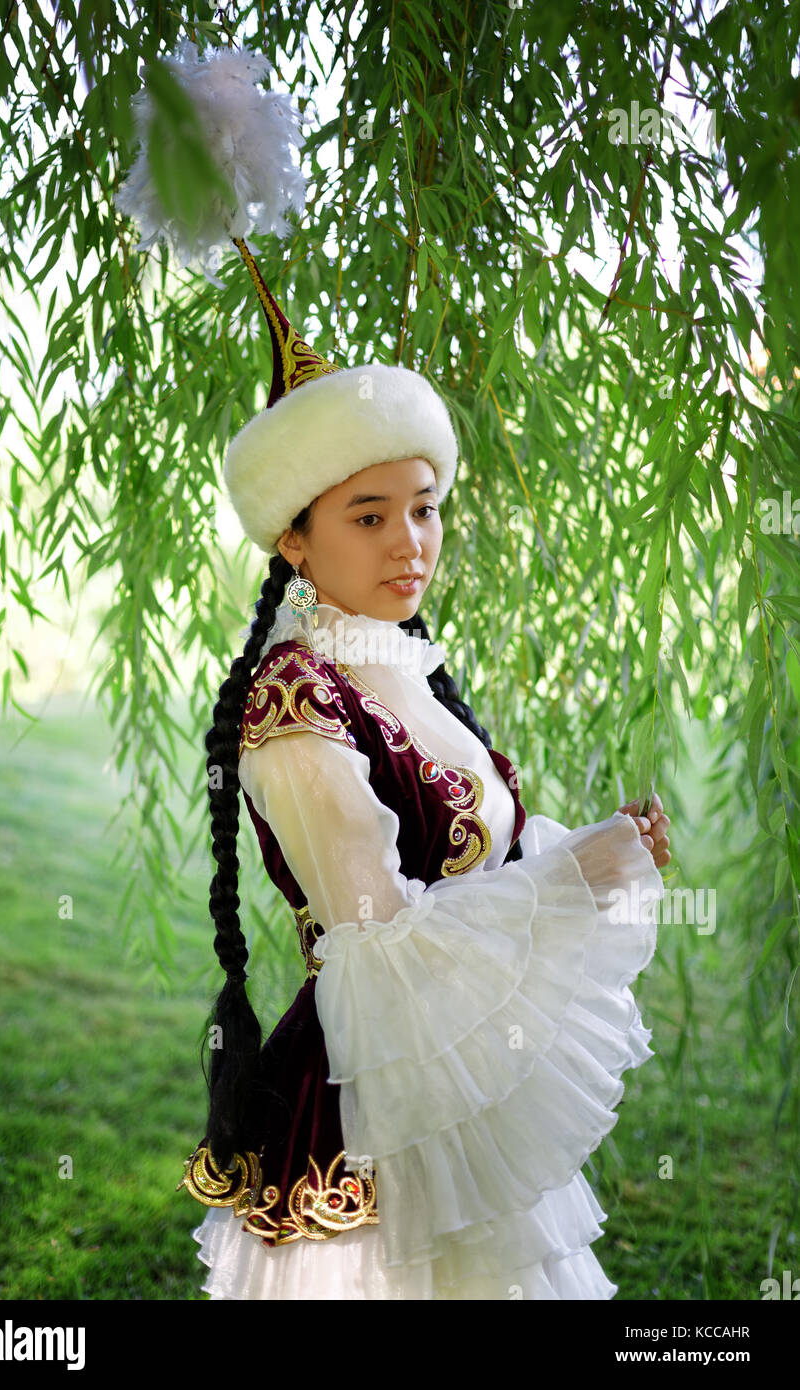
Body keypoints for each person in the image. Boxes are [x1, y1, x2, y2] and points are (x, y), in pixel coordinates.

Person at [113, 40, 672, 1299]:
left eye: (422, 507)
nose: (409, 542)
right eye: (367, 515)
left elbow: (476, 863)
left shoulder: (403, 667)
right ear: (294, 537)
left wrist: (590, 853)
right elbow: (384, 940)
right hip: (370, 1099)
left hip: (439, 1080)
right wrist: (576, 876)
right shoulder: (297, 704)